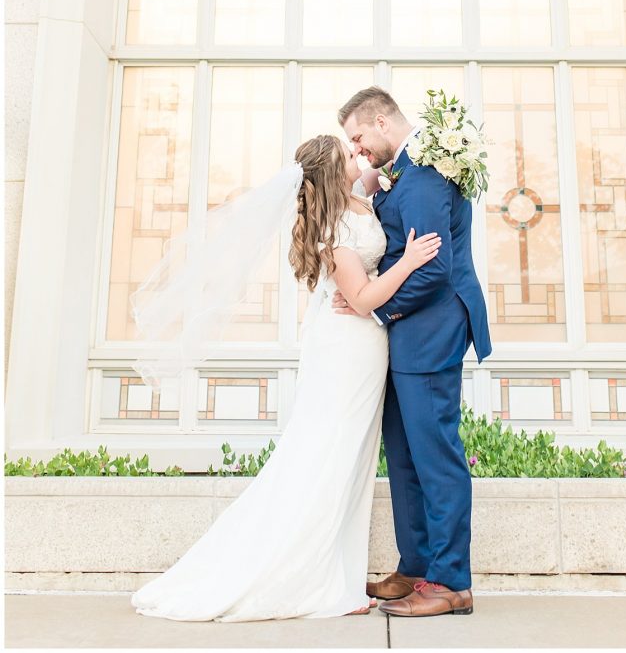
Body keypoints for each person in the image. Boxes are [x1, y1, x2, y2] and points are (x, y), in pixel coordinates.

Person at [130, 134, 441, 622]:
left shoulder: (356, 196)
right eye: (348, 155)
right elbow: (360, 300)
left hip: (363, 347)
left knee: (352, 456)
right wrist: (407, 260)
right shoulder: (333, 225)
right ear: (330, 172)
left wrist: (423, 155)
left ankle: (338, 574)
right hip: (346, 347)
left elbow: (386, 168)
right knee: (329, 454)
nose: (357, 158)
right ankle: (312, 578)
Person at [336, 87, 493, 618]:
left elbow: (432, 268)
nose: (358, 149)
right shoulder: (403, 174)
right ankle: (416, 566)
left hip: (431, 332)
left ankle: (450, 583)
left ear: (381, 121)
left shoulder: (425, 175)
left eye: (359, 136)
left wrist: (372, 309)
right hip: (408, 336)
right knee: (403, 455)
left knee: (435, 455)